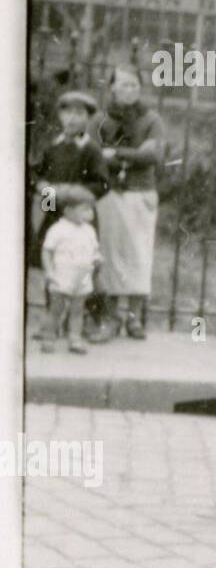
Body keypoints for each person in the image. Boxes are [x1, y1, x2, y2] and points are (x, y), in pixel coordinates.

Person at [89, 66, 164, 342]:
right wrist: (134, 154)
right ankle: (111, 318)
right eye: (123, 85)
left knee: (139, 254)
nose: (129, 90)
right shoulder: (99, 119)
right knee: (110, 253)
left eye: (134, 85)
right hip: (110, 194)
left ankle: (133, 318)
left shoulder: (152, 119)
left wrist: (116, 153)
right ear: (112, 87)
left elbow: (154, 155)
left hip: (140, 193)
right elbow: (94, 154)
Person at [30, 89, 108, 267]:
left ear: (88, 118)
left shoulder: (90, 150)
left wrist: (72, 193)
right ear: (60, 115)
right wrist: (45, 190)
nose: (72, 118)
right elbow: (37, 174)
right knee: (50, 261)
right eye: (68, 112)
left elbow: (102, 184)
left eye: (79, 113)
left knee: (78, 265)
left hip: (79, 217)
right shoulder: (53, 147)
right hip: (54, 216)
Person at [38, 185, 100, 355]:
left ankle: (75, 338)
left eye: (91, 209)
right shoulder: (58, 229)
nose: (90, 214)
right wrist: (49, 271)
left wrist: (96, 258)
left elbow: (93, 249)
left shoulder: (89, 230)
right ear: (68, 211)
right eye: (85, 209)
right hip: (62, 275)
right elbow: (47, 251)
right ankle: (48, 337)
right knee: (56, 309)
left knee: (78, 309)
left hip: (81, 277)